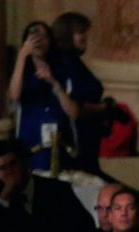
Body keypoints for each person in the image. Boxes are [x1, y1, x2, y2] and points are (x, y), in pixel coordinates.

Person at [8, 20, 79, 169]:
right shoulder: (22, 72)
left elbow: (73, 112)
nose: (38, 41)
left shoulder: (62, 70)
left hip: (61, 145)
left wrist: (53, 82)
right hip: (31, 145)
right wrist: (22, 56)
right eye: (33, 37)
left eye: (43, 37)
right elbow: (14, 96)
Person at [50, 12, 106, 171]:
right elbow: (76, 105)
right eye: (80, 32)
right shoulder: (66, 64)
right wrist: (103, 109)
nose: (85, 37)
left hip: (87, 140)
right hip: (76, 142)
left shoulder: (74, 62)